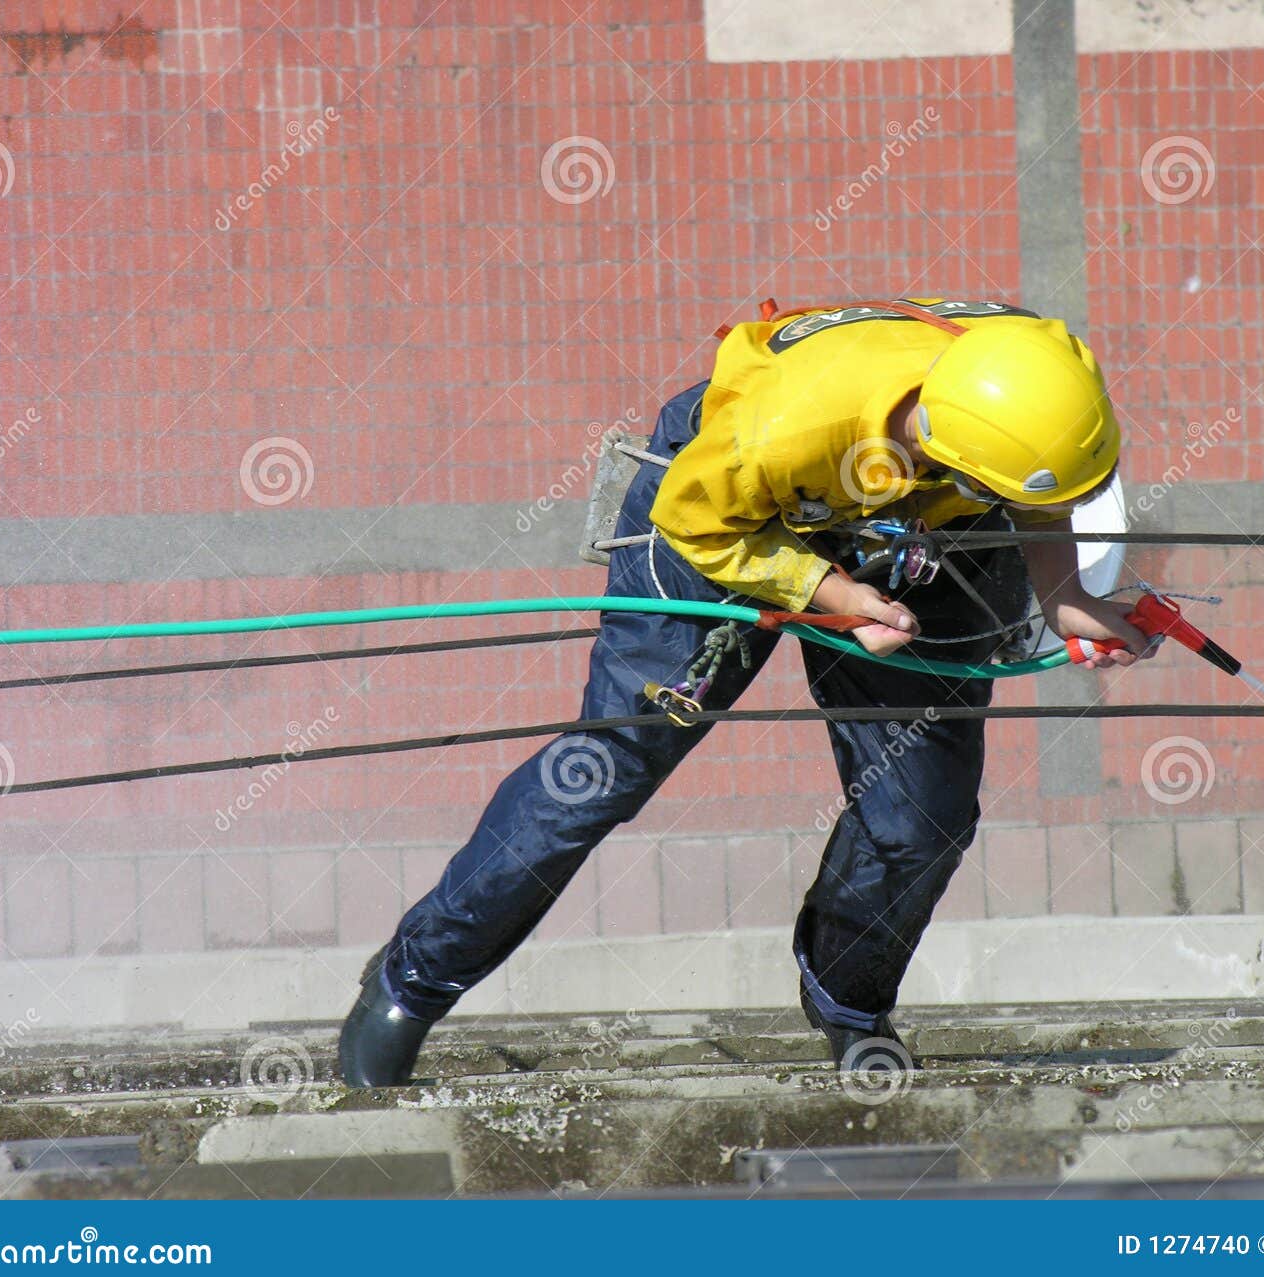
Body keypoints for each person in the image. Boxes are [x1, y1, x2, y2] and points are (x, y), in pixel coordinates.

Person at [339, 297, 1153, 1086]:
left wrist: (1065, 594)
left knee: (924, 816)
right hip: (723, 511)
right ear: (941, 444)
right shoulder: (790, 425)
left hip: (924, 520)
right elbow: (698, 519)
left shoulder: (1033, 378)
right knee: (608, 767)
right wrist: (835, 595)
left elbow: (1038, 491)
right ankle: (414, 979)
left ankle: (851, 1006)